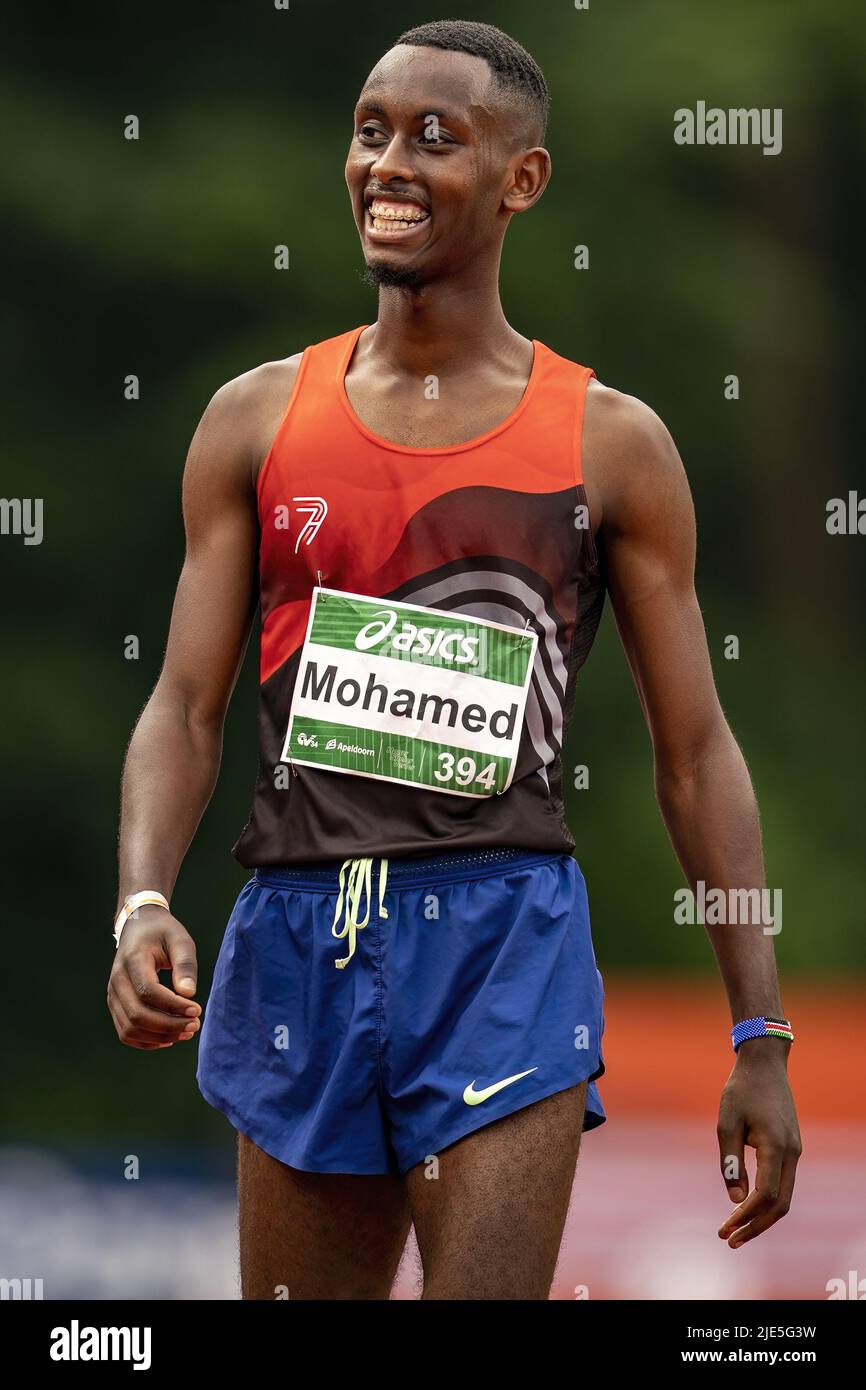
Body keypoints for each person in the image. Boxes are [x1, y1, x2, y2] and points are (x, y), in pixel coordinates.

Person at [107, 19, 801, 1300]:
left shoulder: (609, 443)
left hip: (499, 942)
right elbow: (186, 704)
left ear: (520, 181)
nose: (389, 162)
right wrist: (143, 898)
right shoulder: (255, 420)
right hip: (295, 935)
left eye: (437, 137)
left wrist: (756, 1031)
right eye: (371, 131)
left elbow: (694, 752)